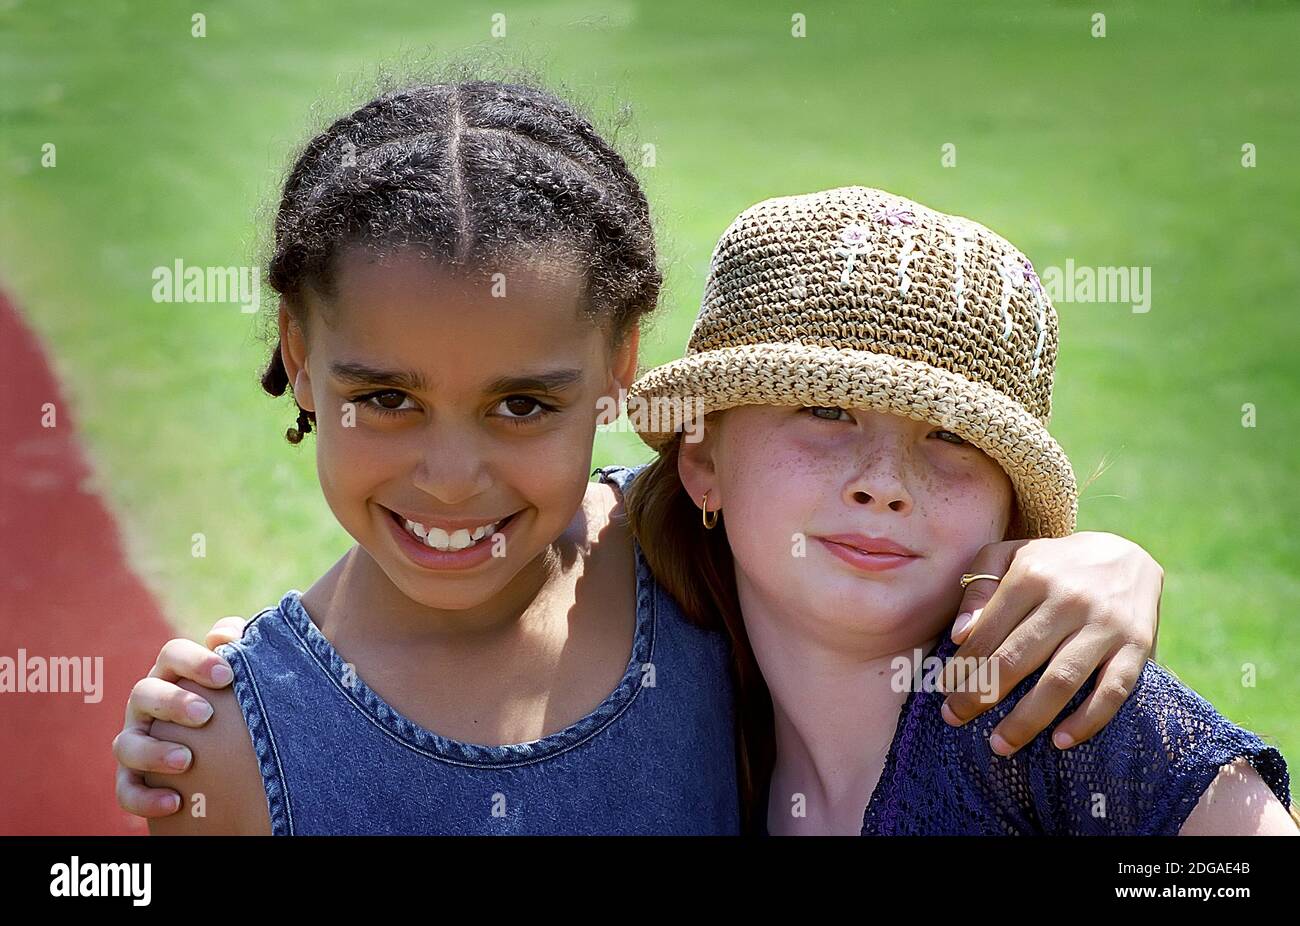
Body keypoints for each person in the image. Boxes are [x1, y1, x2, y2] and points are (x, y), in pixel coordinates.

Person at [114, 79, 1168, 835]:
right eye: (384, 397)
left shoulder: (688, 550)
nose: (449, 475)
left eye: (522, 403)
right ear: (299, 357)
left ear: (619, 366)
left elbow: (900, 542)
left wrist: (1100, 563)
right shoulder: (225, 748)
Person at [620, 185, 1296, 835]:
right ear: (703, 461)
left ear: (1010, 511)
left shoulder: (1071, 716)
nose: (885, 485)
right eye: (826, 411)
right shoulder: (676, 729)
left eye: (952, 437)